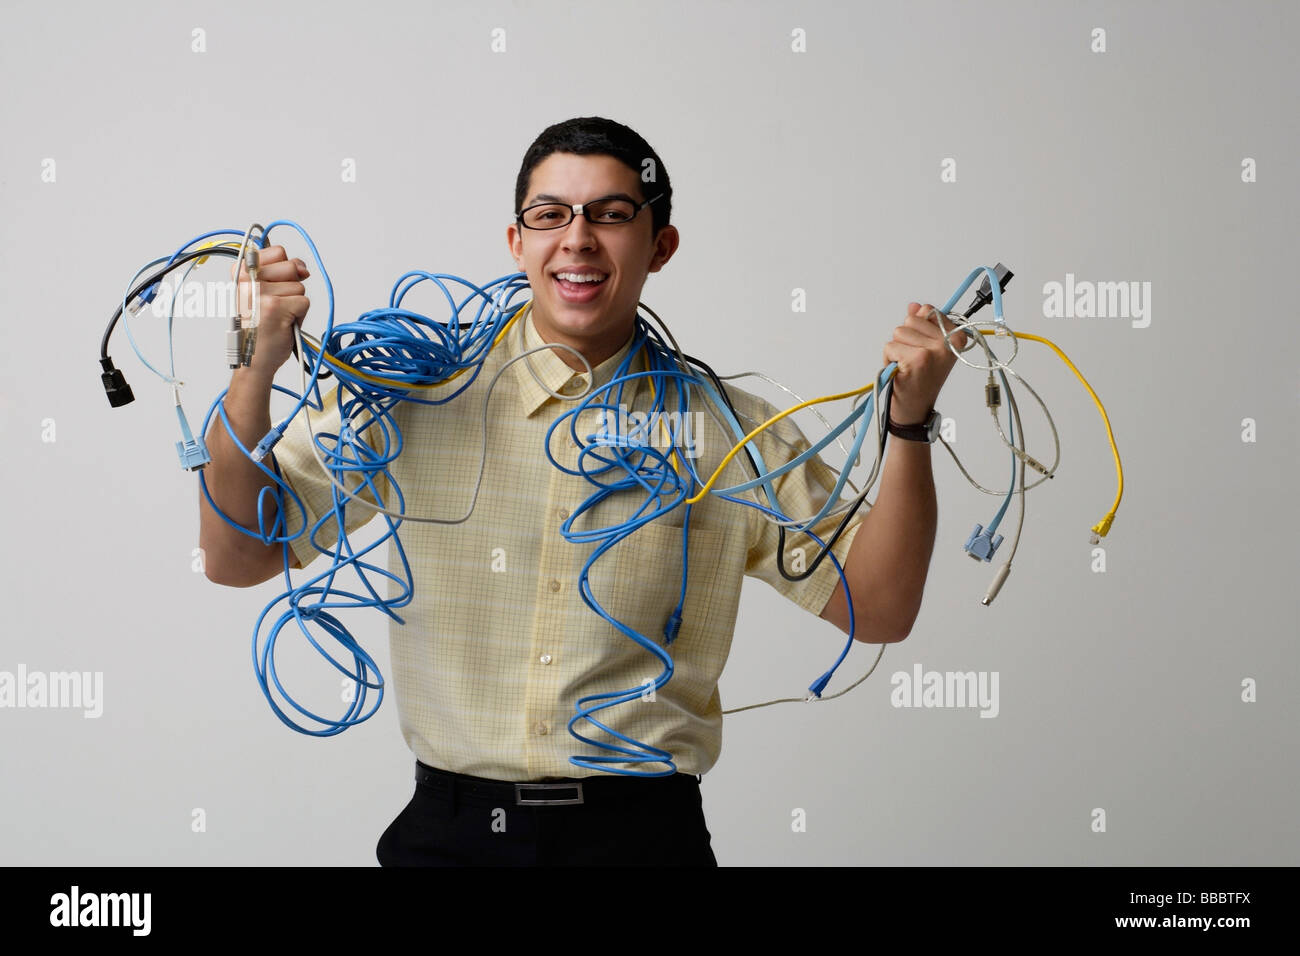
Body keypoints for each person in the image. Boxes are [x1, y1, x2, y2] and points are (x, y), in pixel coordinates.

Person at [198, 116, 967, 866]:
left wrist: (908, 423)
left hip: (643, 840)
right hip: (452, 836)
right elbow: (236, 555)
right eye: (550, 215)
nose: (577, 238)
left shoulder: (730, 435)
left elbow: (881, 606)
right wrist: (251, 364)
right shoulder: (413, 399)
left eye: (611, 214)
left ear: (660, 246)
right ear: (517, 241)